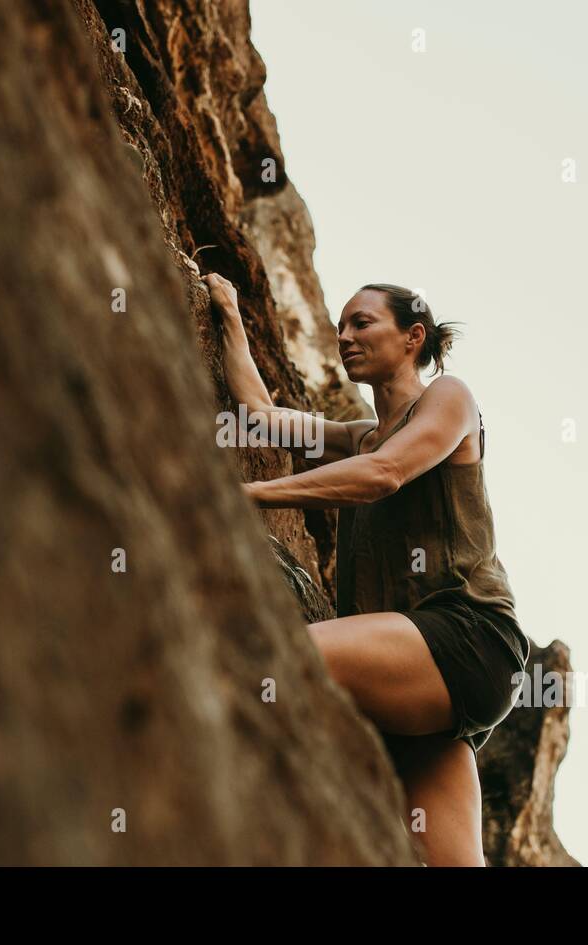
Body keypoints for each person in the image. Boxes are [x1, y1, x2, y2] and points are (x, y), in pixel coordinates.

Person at [205, 272, 530, 867]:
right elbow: (259, 416)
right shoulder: (360, 438)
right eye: (340, 328)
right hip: (422, 685)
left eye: (363, 323)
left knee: (286, 656)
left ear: (413, 337)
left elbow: (384, 475)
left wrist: (247, 496)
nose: (346, 337)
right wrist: (226, 311)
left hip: (467, 637)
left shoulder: (449, 398)